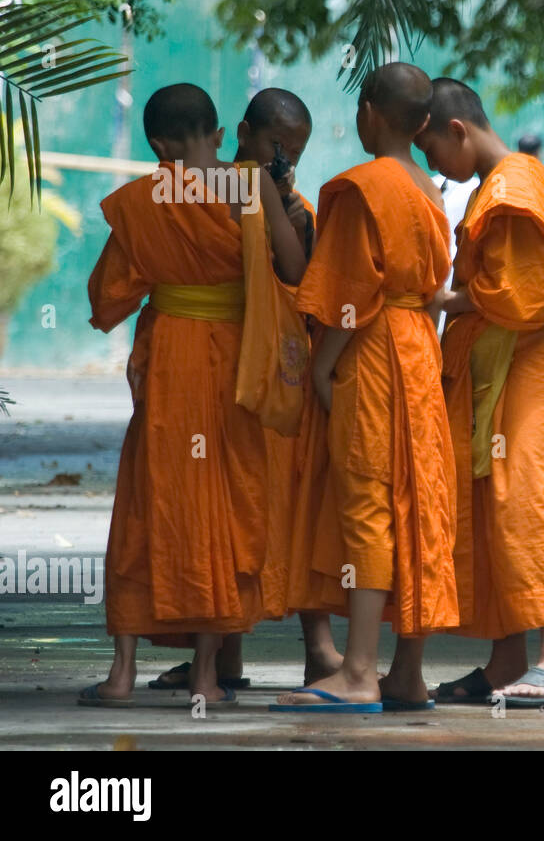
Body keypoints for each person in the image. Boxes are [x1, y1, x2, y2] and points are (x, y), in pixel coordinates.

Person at [80, 83, 304, 708]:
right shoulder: (247, 186)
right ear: (216, 132)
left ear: (157, 145)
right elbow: (293, 270)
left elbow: (108, 299)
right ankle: (207, 677)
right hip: (239, 365)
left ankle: (121, 675)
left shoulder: (144, 200)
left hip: (171, 365)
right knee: (228, 509)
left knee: (148, 505)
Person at [145, 88, 344, 693]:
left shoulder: (294, 204)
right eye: (277, 145)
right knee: (230, 509)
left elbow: (303, 279)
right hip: (221, 370)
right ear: (241, 132)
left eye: (299, 151)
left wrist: (278, 196)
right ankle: (221, 656)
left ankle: (321, 649)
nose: (288, 159)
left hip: (280, 371)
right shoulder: (201, 188)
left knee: (294, 507)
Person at [273, 62, 457, 712]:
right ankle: (406, 672)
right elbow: (431, 292)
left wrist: (323, 366)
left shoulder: (357, 188)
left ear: (371, 112)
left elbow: (352, 295)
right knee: (418, 503)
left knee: (369, 505)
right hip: (417, 351)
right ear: (425, 124)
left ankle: (356, 673)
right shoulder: (430, 191)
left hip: (373, 350)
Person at [416, 78, 544, 708]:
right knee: (489, 502)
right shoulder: (492, 185)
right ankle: (506, 657)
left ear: (457, 130)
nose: (434, 166)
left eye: (432, 151)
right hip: (494, 363)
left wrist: (446, 299)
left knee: (528, 499)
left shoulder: (517, 184)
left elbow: (530, 294)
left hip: (532, 360)